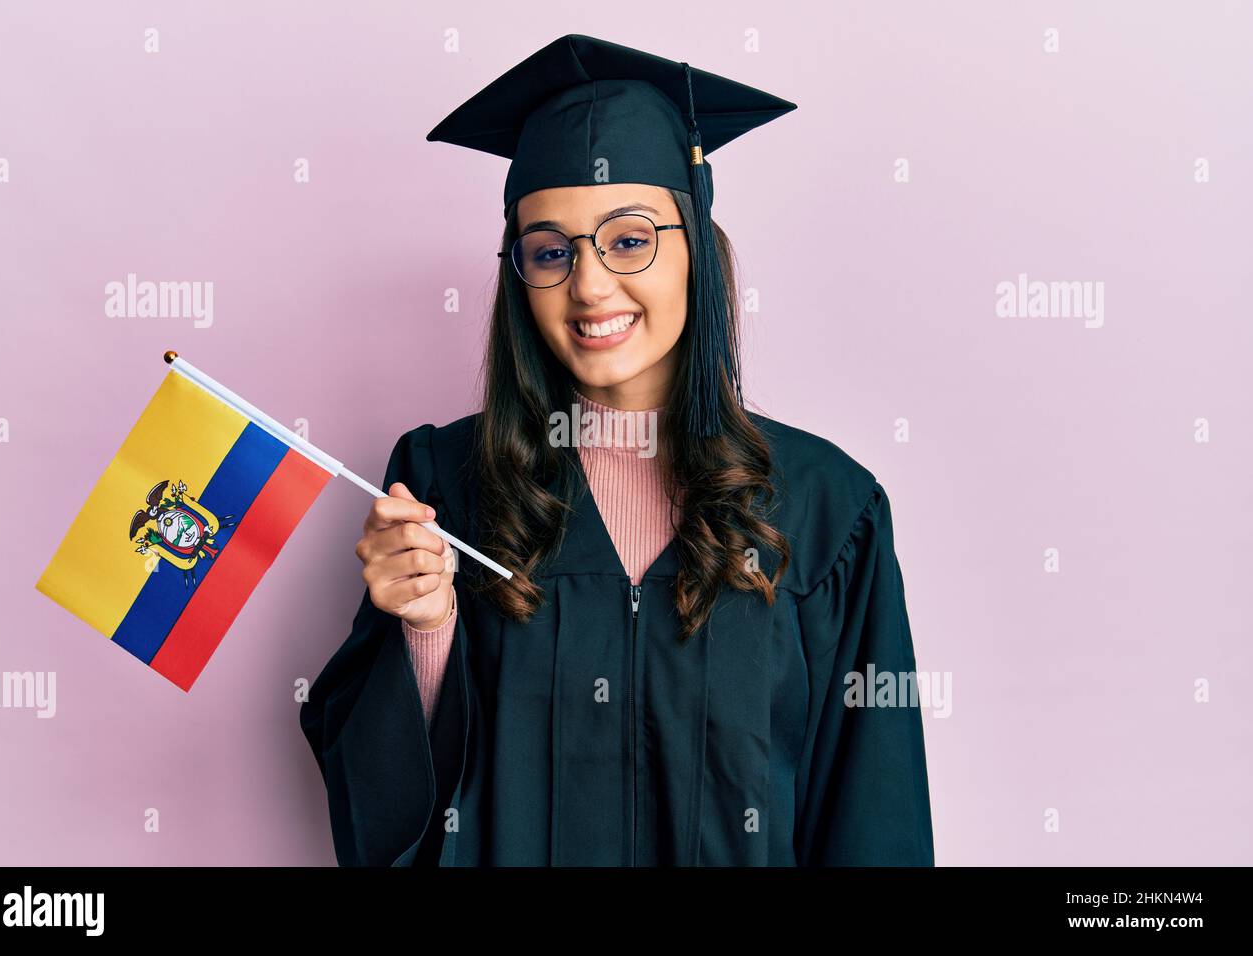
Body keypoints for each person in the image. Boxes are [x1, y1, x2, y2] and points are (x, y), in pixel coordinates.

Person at [300, 34, 934, 866]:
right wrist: (423, 632)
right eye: (550, 251)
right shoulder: (442, 487)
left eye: (629, 239)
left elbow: (870, 814)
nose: (591, 285)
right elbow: (381, 813)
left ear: (694, 249)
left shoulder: (825, 510)